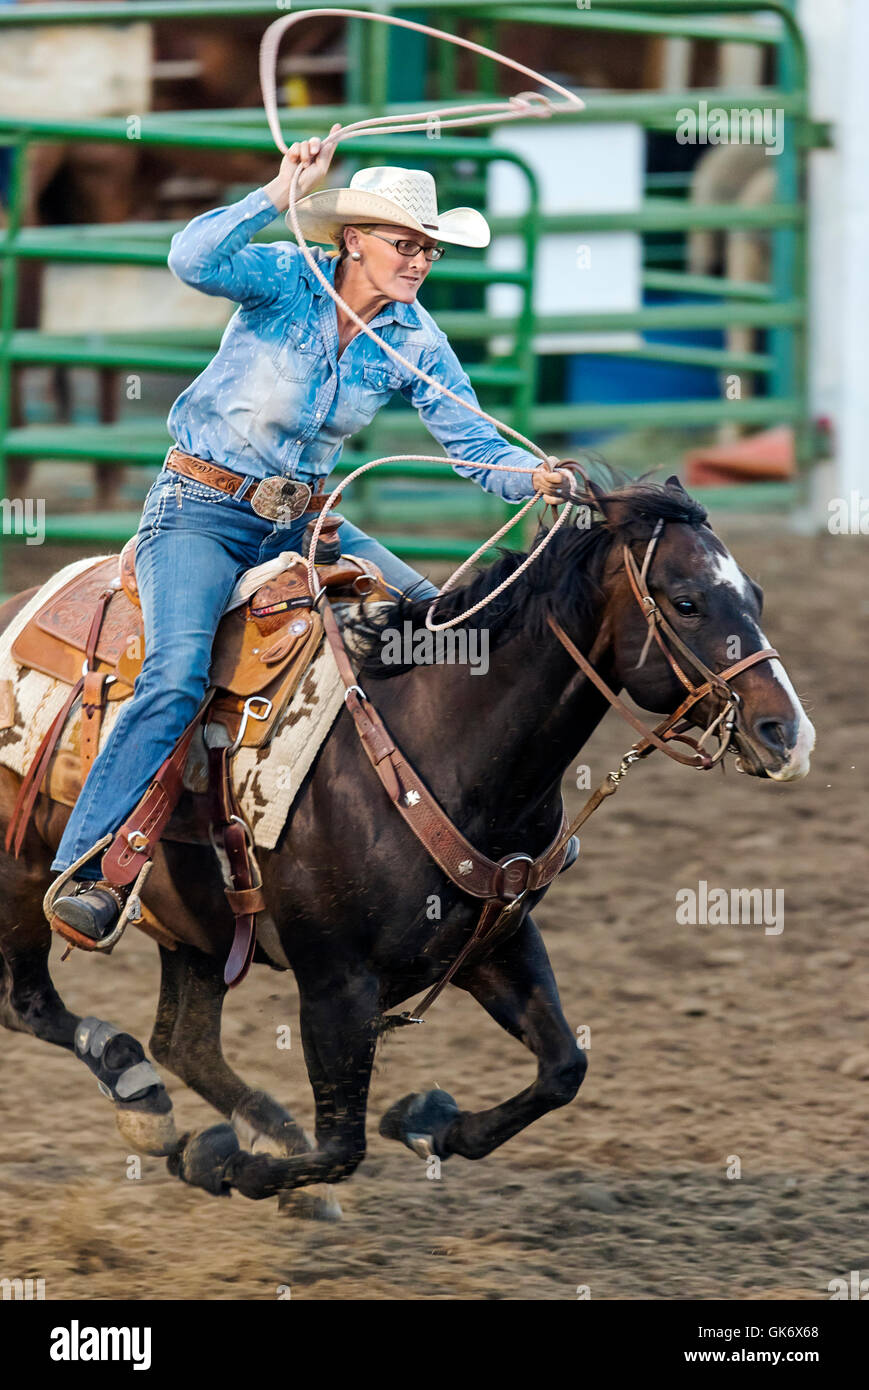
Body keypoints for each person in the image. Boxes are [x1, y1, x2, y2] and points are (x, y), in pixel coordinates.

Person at [49, 129, 568, 943]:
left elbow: (476, 447)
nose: (419, 260)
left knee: (442, 627)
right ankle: (91, 867)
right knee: (178, 673)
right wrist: (274, 196)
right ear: (352, 239)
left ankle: (467, 830)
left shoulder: (417, 340)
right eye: (405, 244)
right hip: (198, 511)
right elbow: (192, 259)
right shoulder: (284, 277)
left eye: (428, 248)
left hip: (307, 521)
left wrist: (534, 478)